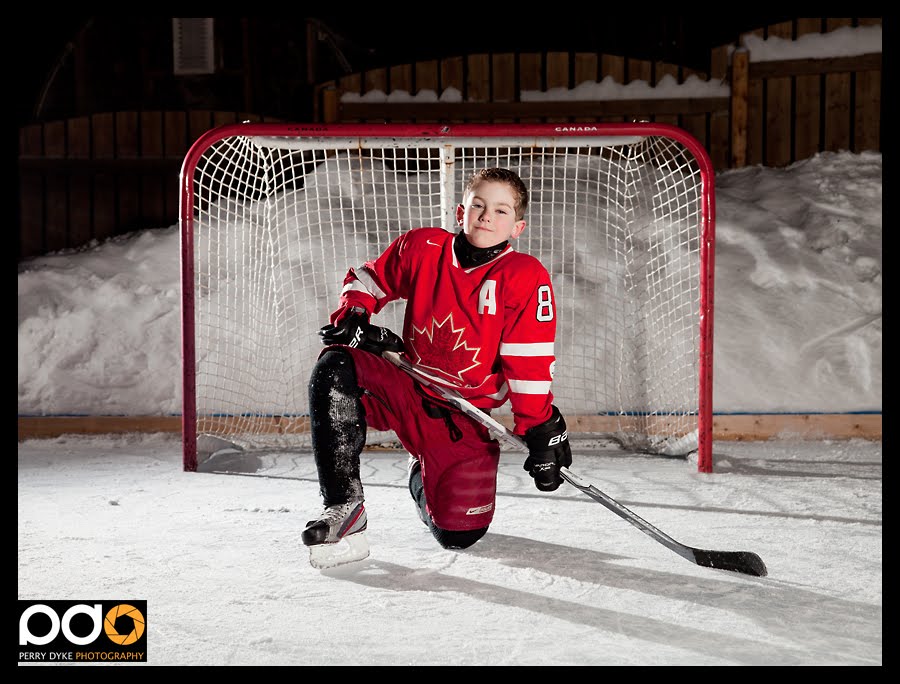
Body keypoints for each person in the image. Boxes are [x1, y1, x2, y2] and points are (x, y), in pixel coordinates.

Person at [302, 167, 573, 567]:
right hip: (406, 388)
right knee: (336, 364)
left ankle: (423, 472)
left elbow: (528, 359)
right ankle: (344, 506)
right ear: (461, 211)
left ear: (517, 227)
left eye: (501, 211)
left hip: (464, 415)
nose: (486, 217)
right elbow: (370, 279)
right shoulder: (423, 247)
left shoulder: (524, 275)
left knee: (459, 535)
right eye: (478, 205)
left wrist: (538, 426)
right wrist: (355, 314)